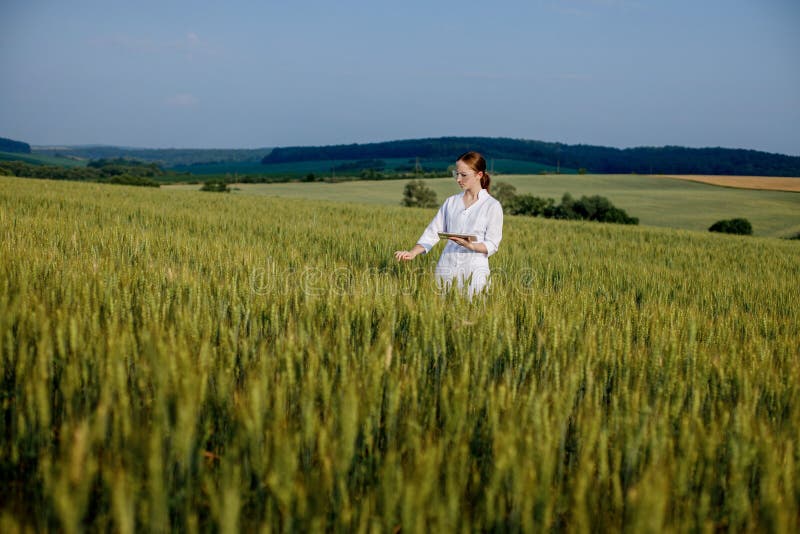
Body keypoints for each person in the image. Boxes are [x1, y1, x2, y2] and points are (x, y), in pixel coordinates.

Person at [394, 151, 503, 296]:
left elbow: (492, 244)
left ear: (479, 175)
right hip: (446, 270)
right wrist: (413, 252)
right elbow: (432, 232)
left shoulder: (492, 206)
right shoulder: (451, 202)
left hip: (475, 275)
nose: (458, 179)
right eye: (456, 174)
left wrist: (470, 245)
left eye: (464, 175)